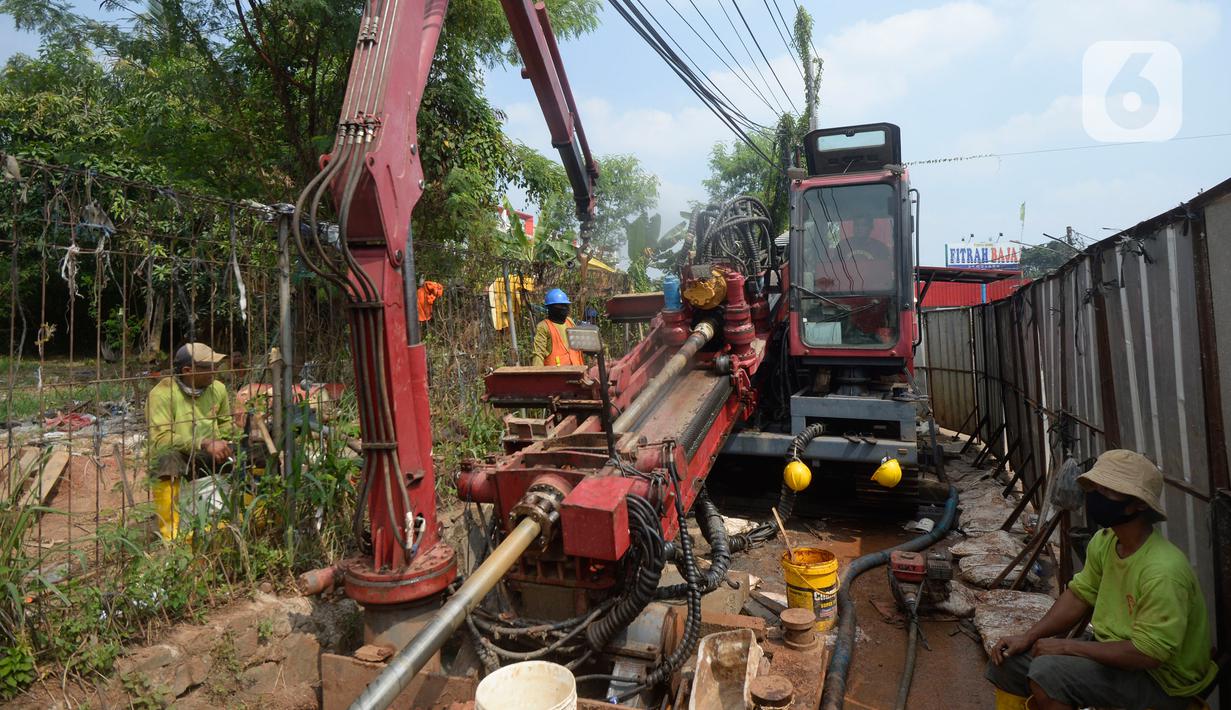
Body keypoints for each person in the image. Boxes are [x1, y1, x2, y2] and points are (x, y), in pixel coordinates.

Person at [986, 449, 1218, 710]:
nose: (1095, 496)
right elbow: (1079, 595)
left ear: (1138, 504)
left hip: (1162, 682)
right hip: (1113, 655)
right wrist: (1028, 637)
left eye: (1108, 490)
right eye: (1095, 487)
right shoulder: (1105, 542)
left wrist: (1066, 647)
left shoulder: (1163, 570)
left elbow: (1148, 654)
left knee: (1049, 674)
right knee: (1008, 662)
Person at [147, 342, 237, 539]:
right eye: (209, 368)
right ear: (188, 370)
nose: (215, 371)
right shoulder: (162, 394)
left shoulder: (218, 389)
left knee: (255, 450)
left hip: (213, 454)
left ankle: (252, 514)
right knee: (165, 460)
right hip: (184, 456)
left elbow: (225, 425)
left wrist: (240, 432)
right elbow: (161, 439)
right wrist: (204, 443)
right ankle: (174, 536)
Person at [532, 289, 584, 367]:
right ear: (550, 308)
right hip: (557, 375)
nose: (564, 308)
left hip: (576, 372)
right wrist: (537, 375)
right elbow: (538, 353)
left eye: (565, 305)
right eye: (560, 305)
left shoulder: (570, 322)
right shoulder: (544, 326)